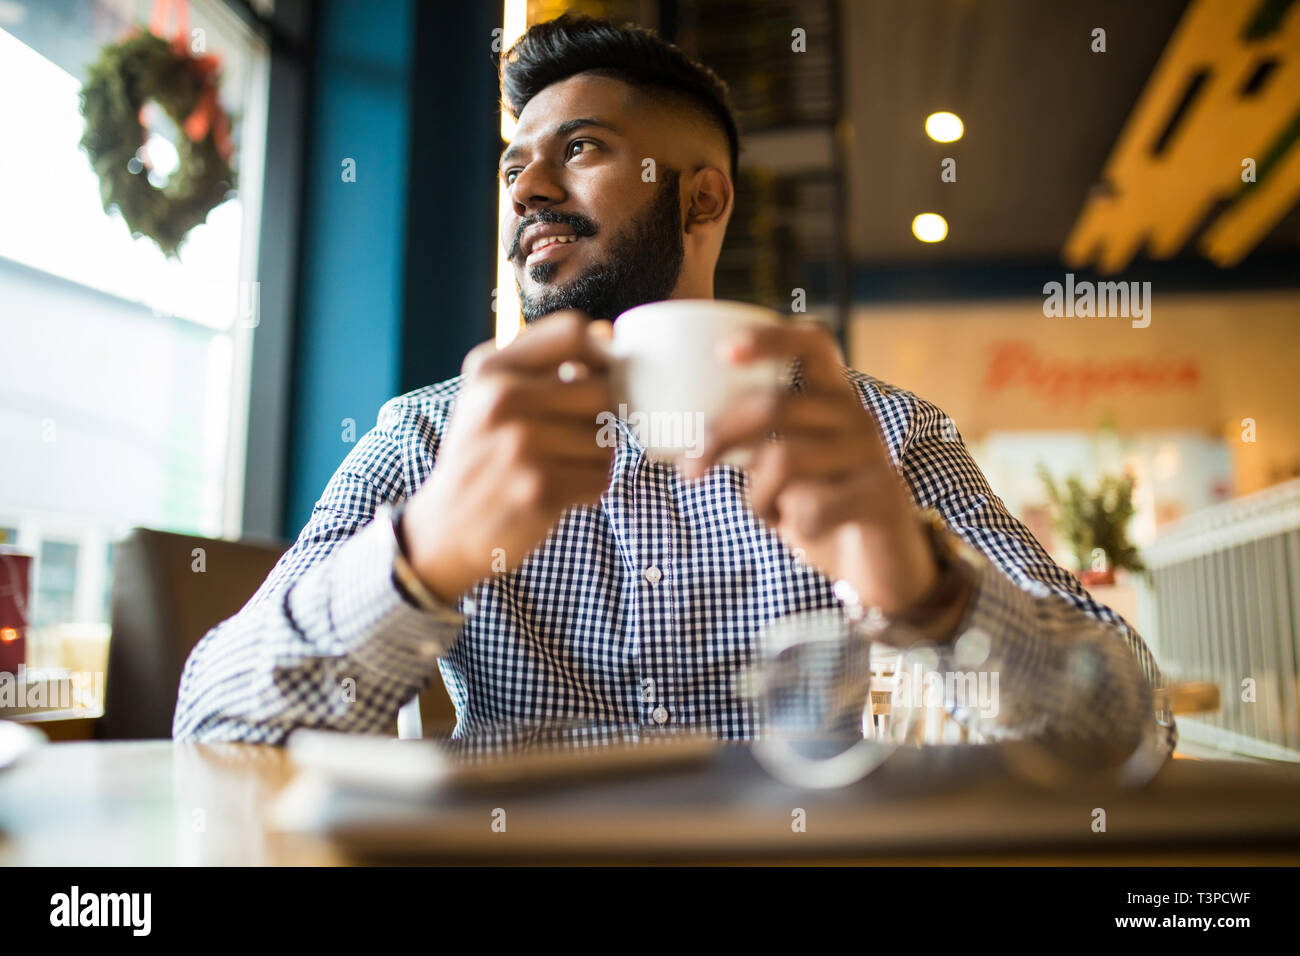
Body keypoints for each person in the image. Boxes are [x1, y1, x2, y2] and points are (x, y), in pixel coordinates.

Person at [174, 15, 1171, 763]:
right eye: (515, 162)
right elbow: (212, 723)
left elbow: (1134, 730)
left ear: (703, 195)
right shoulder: (432, 435)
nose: (524, 190)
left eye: (579, 149)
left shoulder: (881, 432)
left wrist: (932, 592)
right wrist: (423, 554)